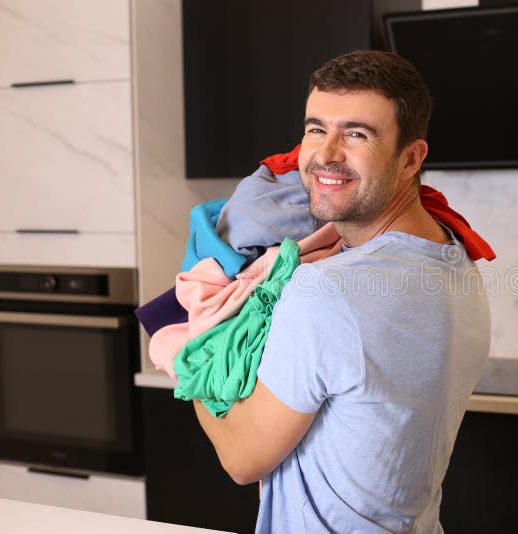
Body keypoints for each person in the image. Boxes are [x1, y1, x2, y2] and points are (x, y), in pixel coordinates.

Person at [193, 49, 491, 533]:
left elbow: (241, 457)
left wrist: (193, 347)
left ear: (411, 158)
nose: (326, 154)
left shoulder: (326, 290)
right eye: (316, 129)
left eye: (357, 134)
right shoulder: (455, 256)